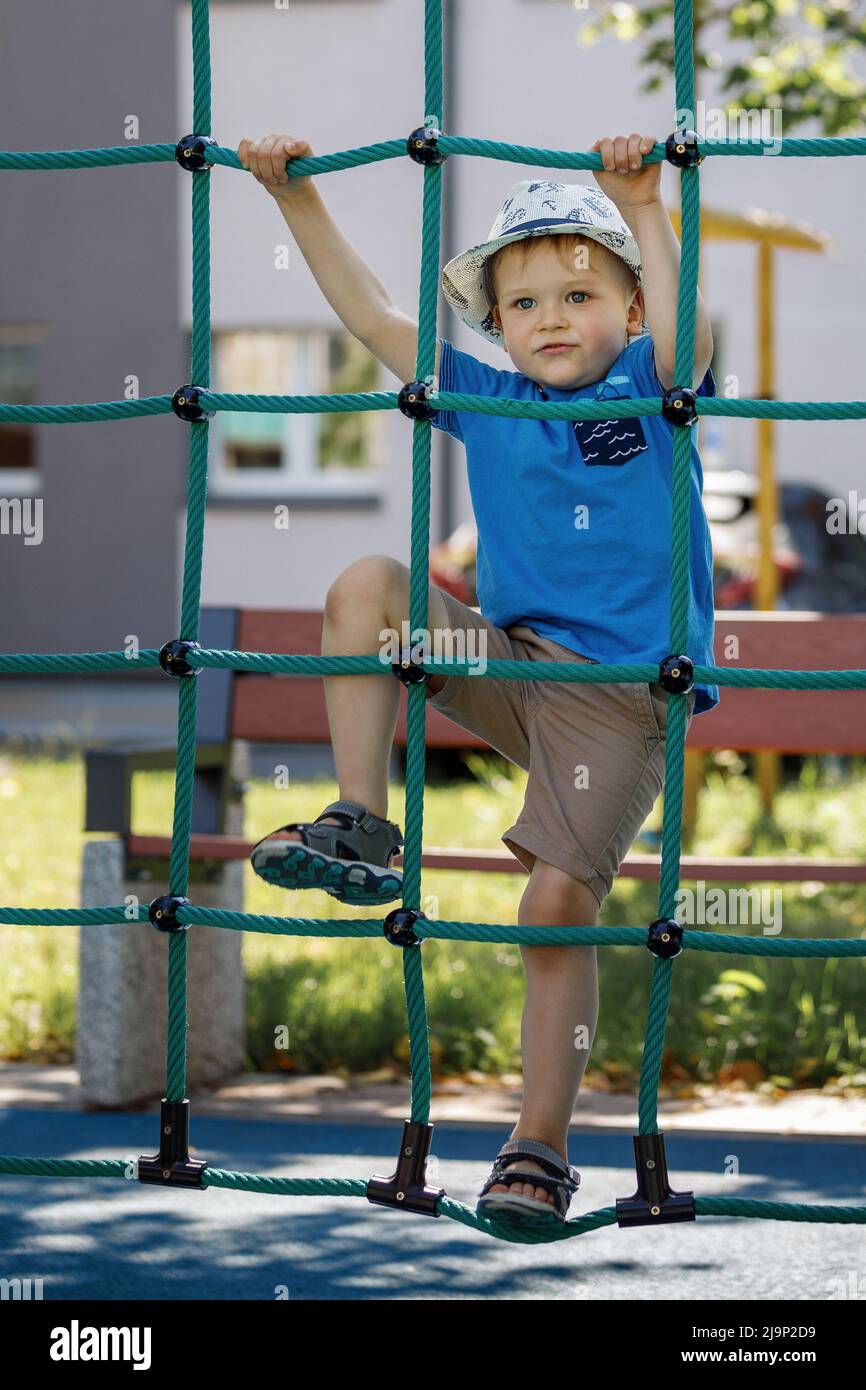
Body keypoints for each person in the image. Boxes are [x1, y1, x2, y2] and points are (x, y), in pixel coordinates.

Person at [238, 129, 718, 1225]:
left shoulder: (652, 392)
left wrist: (643, 209)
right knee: (368, 585)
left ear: (628, 314)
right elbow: (370, 320)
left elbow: (687, 341)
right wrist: (291, 197)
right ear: (493, 325)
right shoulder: (488, 404)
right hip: (507, 668)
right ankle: (361, 819)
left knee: (552, 905)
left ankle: (536, 1145)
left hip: (622, 696)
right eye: (524, 303)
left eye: (579, 295)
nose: (551, 317)